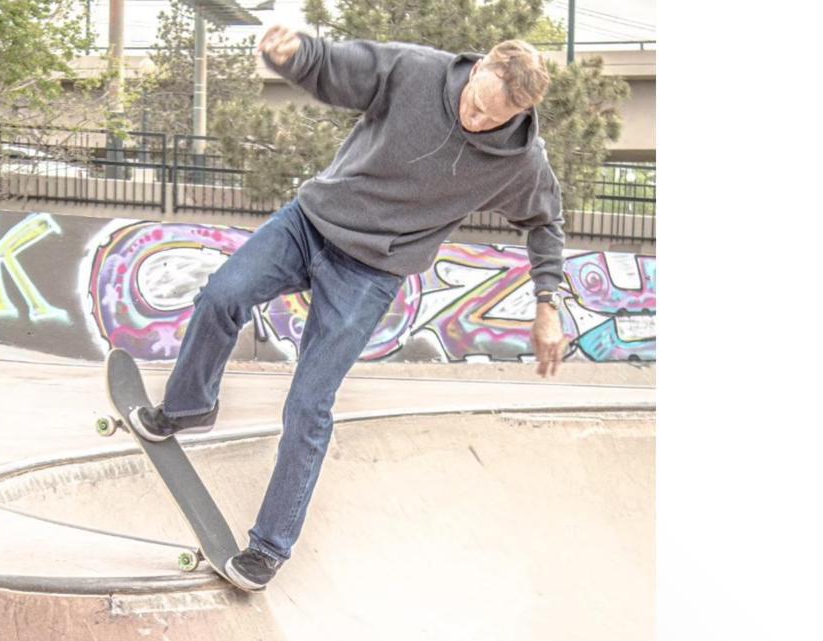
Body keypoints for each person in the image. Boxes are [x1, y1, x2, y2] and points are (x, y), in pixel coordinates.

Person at [126, 25, 568, 591]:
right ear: (477, 68)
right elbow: (341, 68)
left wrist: (547, 302)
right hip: (309, 224)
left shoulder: (520, 161)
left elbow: (544, 223)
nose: (476, 123)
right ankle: (188, 407)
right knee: (221, 295)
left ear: (519, 115)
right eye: (476, 106)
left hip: (371, 271)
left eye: (494, 119)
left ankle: (268, 548)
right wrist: (296, 55)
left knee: (309, 403)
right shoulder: (417, 70)